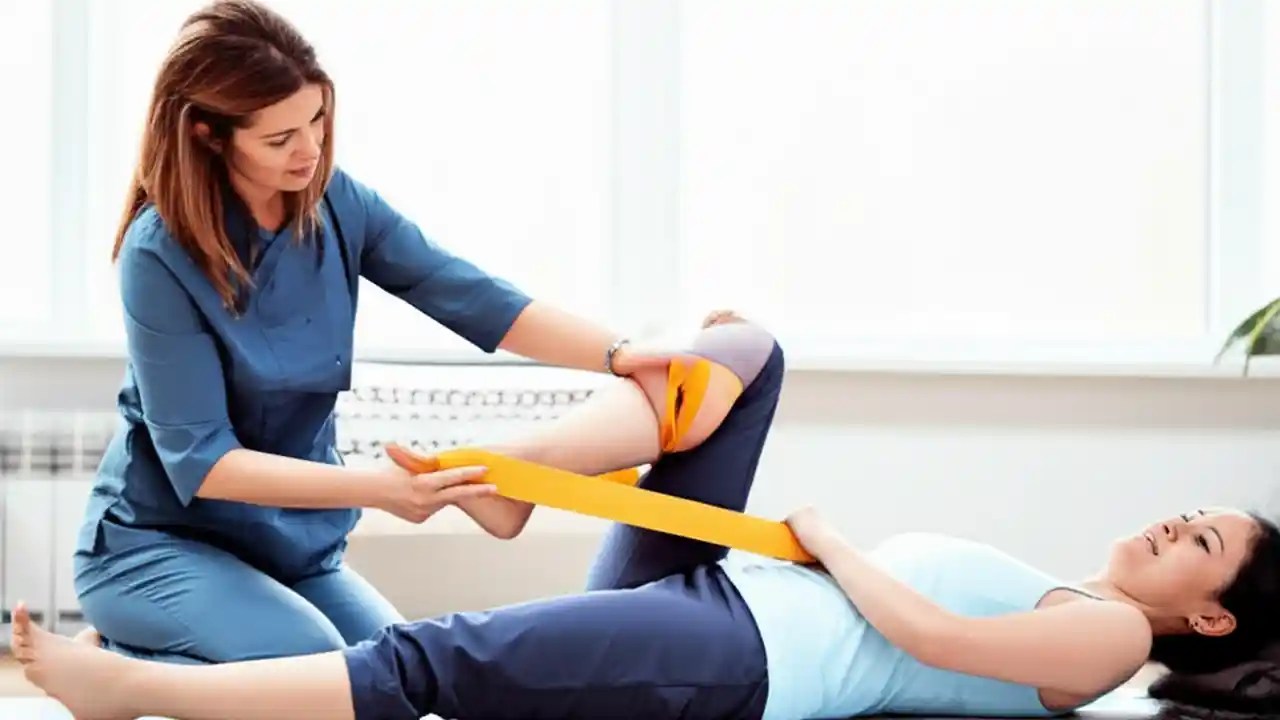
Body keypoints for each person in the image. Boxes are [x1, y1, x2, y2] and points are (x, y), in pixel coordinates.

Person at [21, 318, 1280, 720]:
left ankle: (131, 689)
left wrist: (836, 545)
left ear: (1212, 617)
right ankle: (513, 480)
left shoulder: (1115, 643)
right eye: (1187, 513)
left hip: (739, 652)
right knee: (744, 351)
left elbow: (937, 642)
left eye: (1200, 541)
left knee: (431, 661)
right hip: (731, 598)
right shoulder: (1083, 601)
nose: (1172, 524)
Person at [73, 0, 685, 667]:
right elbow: (206, 462)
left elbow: (473, 297)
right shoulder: (158, 255)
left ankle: (143, 664)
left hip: (288, 550)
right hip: (160, 545)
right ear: (208, 135)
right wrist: (383, 489)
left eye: (317, 119)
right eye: (280, 139)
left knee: (399, 677)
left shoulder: (337, 204)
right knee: (310, 666)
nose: (310, 149)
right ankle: (114, 665)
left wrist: (619, 355)